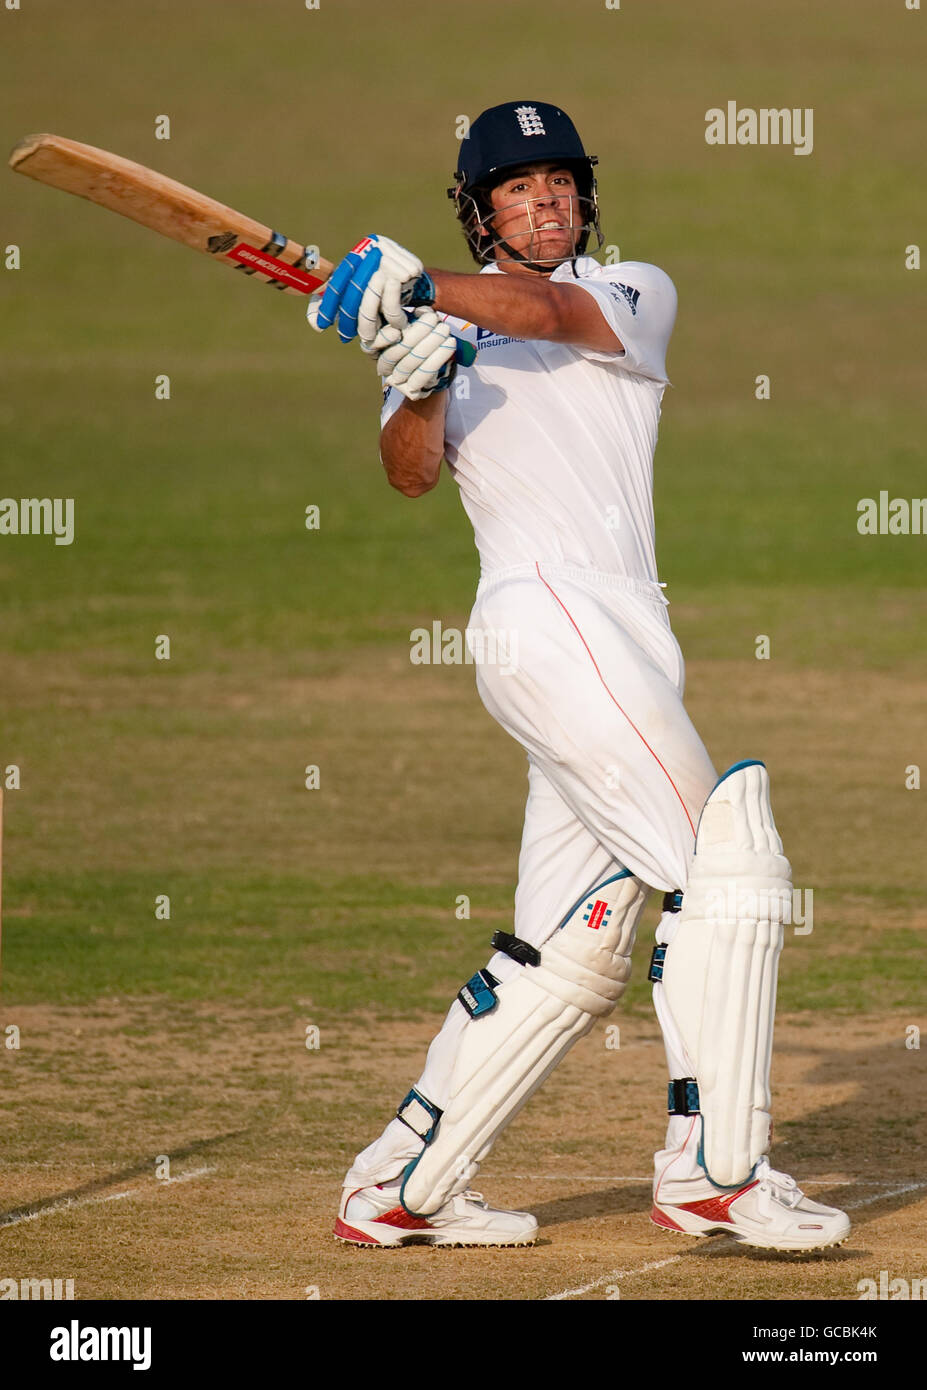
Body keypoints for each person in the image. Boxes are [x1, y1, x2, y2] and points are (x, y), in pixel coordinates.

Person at [309, 101, 850, 1254]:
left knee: (575, 942)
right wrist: (419, 378)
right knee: (727, 860)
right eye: (518, 188)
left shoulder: (630, 292)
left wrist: (425, 294)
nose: (544, 202)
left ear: (585, 199)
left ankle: (405, 1180)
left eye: (559, 183)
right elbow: (409, 476)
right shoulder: (450, 335)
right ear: (480, 207)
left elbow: (549, 310)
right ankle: (716, 1170)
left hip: (622, 632)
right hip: (544, 617)